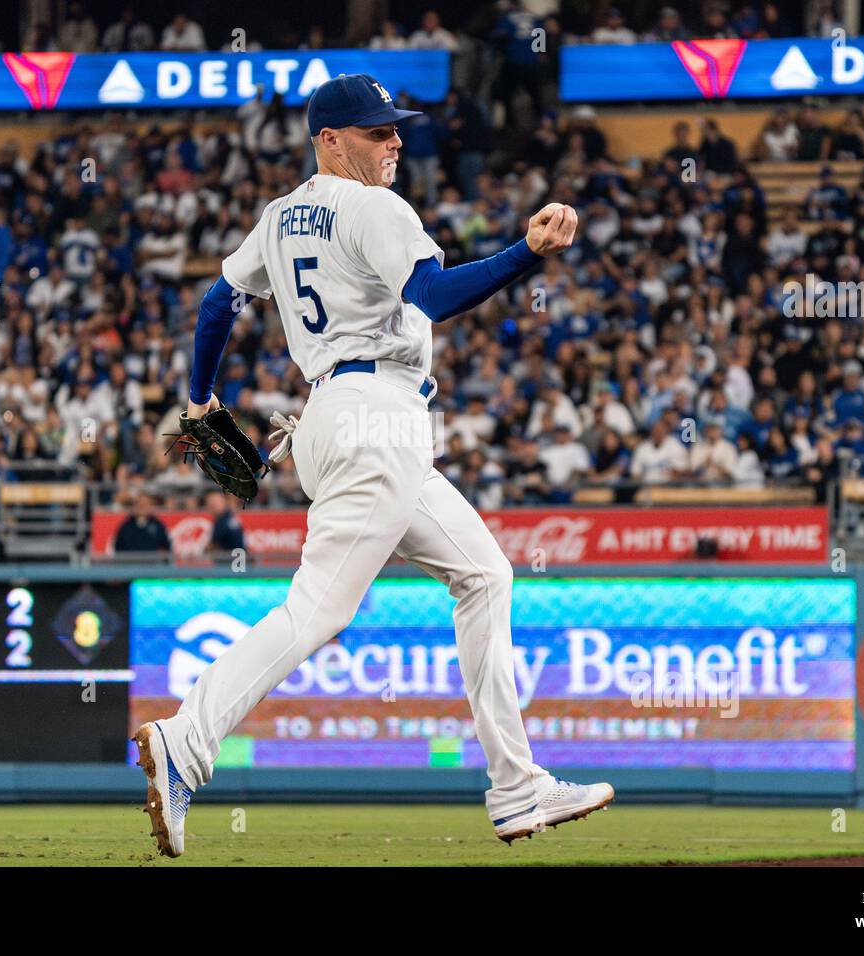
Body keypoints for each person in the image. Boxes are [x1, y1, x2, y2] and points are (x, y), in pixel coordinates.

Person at [132, 73, 611, 860]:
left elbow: (220, 303)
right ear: (329, 140)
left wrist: (199, 398)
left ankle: (517, 786)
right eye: (377, 132)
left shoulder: (280, 216)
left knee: (485, 575)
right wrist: (526, 252)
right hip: (376, 416)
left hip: (338, 417)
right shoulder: (375, 206)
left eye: (396, 130)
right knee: (317, 610)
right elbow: (430, 293)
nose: (395, 142)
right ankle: (187, 738)